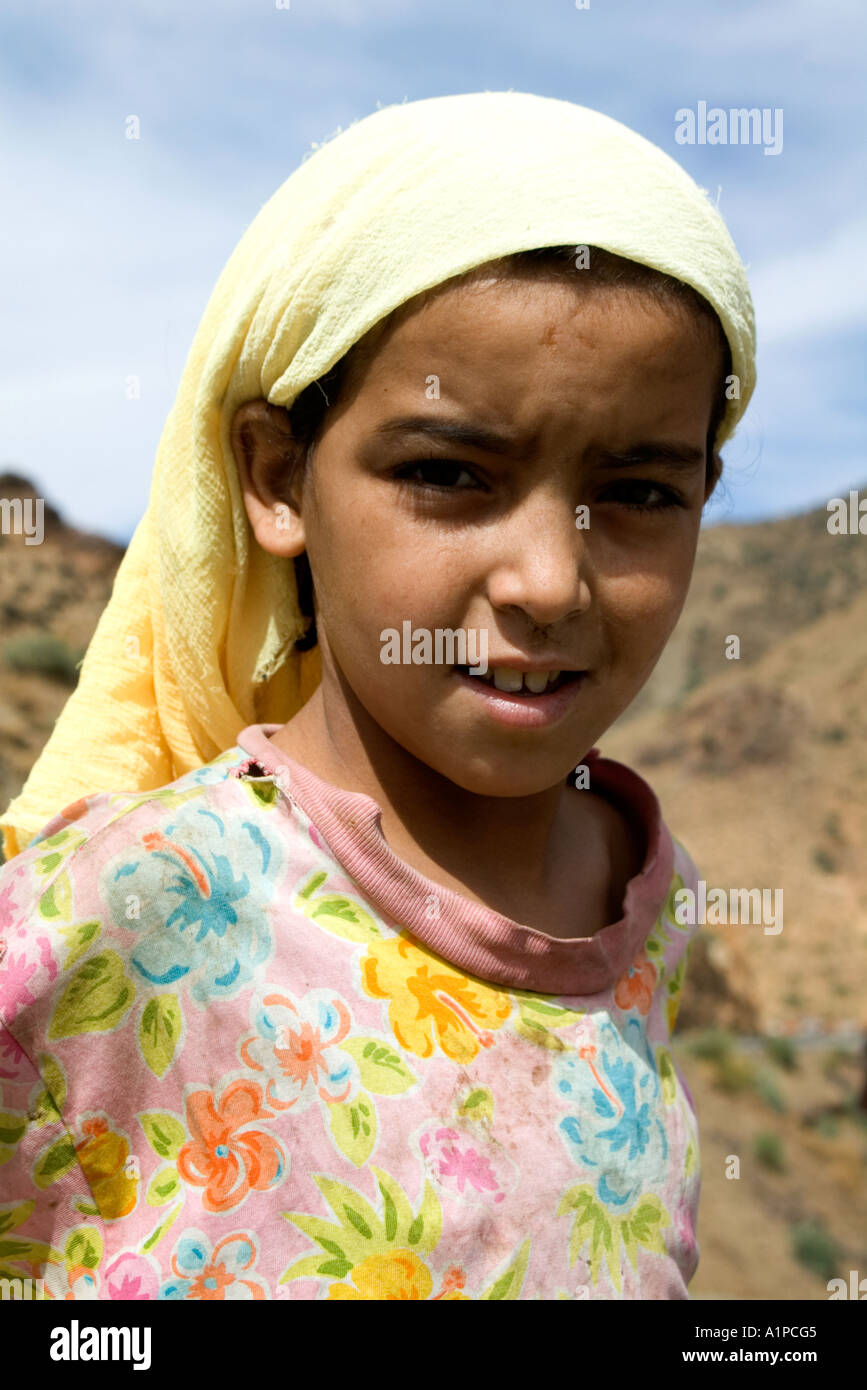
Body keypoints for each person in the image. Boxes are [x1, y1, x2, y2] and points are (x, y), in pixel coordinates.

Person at [0, 91, 754, 1301]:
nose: (549, 581)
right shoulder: (113, 908)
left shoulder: (651, 907)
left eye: (640, 493)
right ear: (278, 476)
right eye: (450, 472)